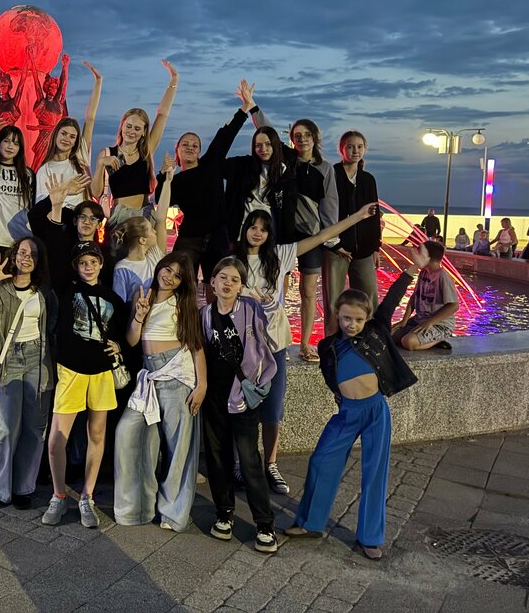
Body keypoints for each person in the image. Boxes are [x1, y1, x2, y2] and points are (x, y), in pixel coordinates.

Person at [286, 245, 427, 560]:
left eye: (357, 320)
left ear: (366, 319)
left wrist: (411, 270)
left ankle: (370, 537)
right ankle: (311, 523)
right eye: (346, 318)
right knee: (321, 461)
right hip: (346, 413)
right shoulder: (328, 346)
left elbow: (390, 301)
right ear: (337, 314)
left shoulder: (376, 330)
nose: (351, 324)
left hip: (375, 411)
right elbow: (329, 375)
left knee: (374, 472)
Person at [237, 202, 380, 495]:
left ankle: (270, 464)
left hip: (274, 343)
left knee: (273, 408)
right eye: (253, 227)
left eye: (264, 229)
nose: (258, 233)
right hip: (242, 344)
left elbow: (320, 236)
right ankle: (241, 464)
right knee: (241, 406)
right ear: (245, 230)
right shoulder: (234, 261)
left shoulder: (279, 255)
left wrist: (357, 215)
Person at [114, 252, 207, 533]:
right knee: (127, 433)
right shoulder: (142, 294)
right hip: (149, 377)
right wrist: (139, 316)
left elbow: (196, 346)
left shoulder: (184, 303)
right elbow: (132, 340)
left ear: (182, 282)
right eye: (168, 269)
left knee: (178, 448)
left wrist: (202, 385)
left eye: (177, 275)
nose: (169, 277)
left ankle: (173, 512)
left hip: (178, 375)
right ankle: (136, 508)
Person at [43, 242, 128, 528]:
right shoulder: (66, 290)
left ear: (101, 264)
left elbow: (124, 336)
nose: (88, 267)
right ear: (76, 267)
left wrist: (119, 346)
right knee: (57, 437)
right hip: (70, 370)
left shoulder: (113, 299)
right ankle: (58, 494)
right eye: (82, 262)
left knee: (97, 433)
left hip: (102, 372)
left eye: (93, 261)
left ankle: (87, 495)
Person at [199, 257, 279, 551]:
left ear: (242, 285)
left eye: (234, 279)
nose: (228, 284)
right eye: (223, 278)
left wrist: (266, 302)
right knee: (217, 457)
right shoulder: (205, 314)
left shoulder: (251, 308)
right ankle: (225, 513)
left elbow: (270, 320)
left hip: (243, 396)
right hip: (215, 398)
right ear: (213, 283)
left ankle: (264, 523)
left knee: (249, 460)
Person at [0, 237, 57, 508]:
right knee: (5, 427)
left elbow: (52, 326)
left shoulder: (44, 291)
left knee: (34, 427)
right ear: (13, 255)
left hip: (37, 359)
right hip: (8, 359)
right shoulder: (2, 287)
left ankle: (24, 487)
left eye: (32, 253)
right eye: (21, 252)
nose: (26, 257)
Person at [155, 87, 265, 287]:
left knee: (219, 284)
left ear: (199, 151)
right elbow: (161, 200)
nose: (190, 147)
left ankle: (215, 318)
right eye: (185, 144)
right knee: (182, 284)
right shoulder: (176, 180)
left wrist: (244, 108)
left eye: (195, 145)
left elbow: (226, 135)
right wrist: (164, 176)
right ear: (177, 150)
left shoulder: (210, 163)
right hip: (189, 239)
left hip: (217, 236)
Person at [91, 61, 179, 234]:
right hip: (120, 217)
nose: (132, 131)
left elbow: (162, 114)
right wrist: (101, 164)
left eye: (137, 128)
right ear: (122, 126)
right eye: (128, 126)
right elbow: (96, 192)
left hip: (145, 215)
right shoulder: (108, 153)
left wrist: (174, 79)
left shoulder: (146, 150)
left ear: (144, 132)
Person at [286, 118, 340, 362]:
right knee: (278, 290)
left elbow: (330, 205)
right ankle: (278, 342)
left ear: (315, 137)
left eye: (307, 134)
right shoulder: (286, 161)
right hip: (285, 235)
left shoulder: (325, 168)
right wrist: (252, 107)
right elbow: (267, 135)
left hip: (313, 236)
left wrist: (332, 240)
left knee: (308, 292)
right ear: (292, 139)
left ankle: (305, 344)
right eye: (297, 135)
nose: (302, 139)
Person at [221, 81, 294, 252]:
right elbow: (216, 162)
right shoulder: (243, 166)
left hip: (271, 241)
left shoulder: (285, 172)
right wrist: (241, 115)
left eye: (268, 145)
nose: (263, 149)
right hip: (240, 239)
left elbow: (269, 132)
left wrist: (253, 106)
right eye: (258, 145)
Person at [323, 131, 381, 336]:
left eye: (359, 146)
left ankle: (369, 341)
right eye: (350, 146)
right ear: (341, 149)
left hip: (364, 249)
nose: (355, 150)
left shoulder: (368, 179)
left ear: (364, 149)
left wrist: (376, 247)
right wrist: (334, 244)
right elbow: (326, 211)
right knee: (333, 300)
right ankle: (331, 344)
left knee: (369, 298)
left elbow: (375, 214)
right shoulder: (331, 174)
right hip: (336, 248)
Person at [28, 173, 108, 291]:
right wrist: (54, 199)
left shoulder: (103, 252)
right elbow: (34, 216)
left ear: (99, 225)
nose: (87, 222)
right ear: (75, 221)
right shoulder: (61, 241)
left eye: (93, 219)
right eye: (83, 217)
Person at [111, 155, 174, 302]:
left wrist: (168, 181)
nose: (155, 231)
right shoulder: (122, 268)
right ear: (142, 240)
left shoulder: (154, 256)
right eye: (151, 230)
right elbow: (119, 303)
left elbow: (161, 217)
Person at [0, 125, 36, 261]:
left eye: (16, 143)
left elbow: (33, 206)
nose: (10, 146)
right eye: (6, 141)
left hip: (22, 238)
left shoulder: (28, 174)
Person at [392, 241, 460, 350]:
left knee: (408, 342)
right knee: (390, 334)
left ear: (428, 256)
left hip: (440, 325)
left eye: (420, 253)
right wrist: (404, 320)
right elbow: (415, 296)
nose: (416, 256)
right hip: (420, 320)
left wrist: (430, 322)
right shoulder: (423, 272)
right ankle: (426, 339)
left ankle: (438, 340)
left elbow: (454, 306)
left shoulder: (443, 277)